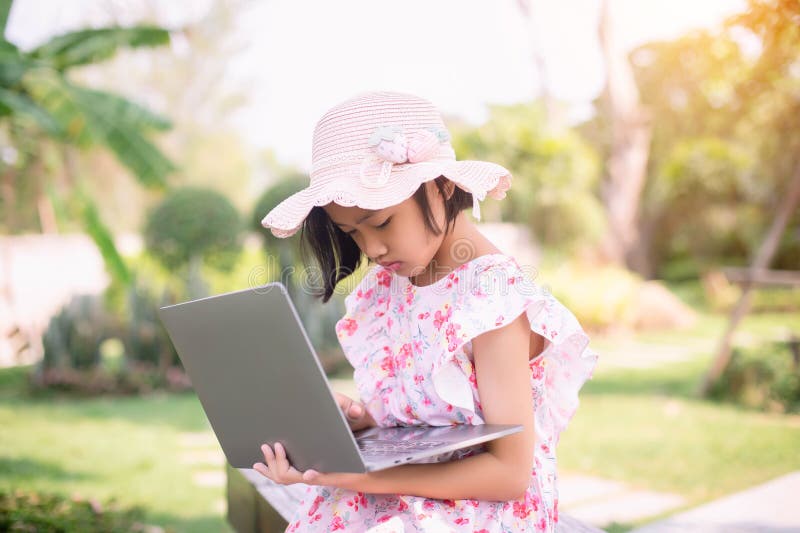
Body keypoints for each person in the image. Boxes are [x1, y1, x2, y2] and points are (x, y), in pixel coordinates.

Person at [255, 91, 599, 532]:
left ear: (443, 185)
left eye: (381, 223)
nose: (372, 249)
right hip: (404, 493)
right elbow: (435, 421)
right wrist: (362, 422)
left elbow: (510, 475)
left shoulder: (493, 300)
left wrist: (364, 477)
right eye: (351, 233)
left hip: (481, 513)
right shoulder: (392, 286)